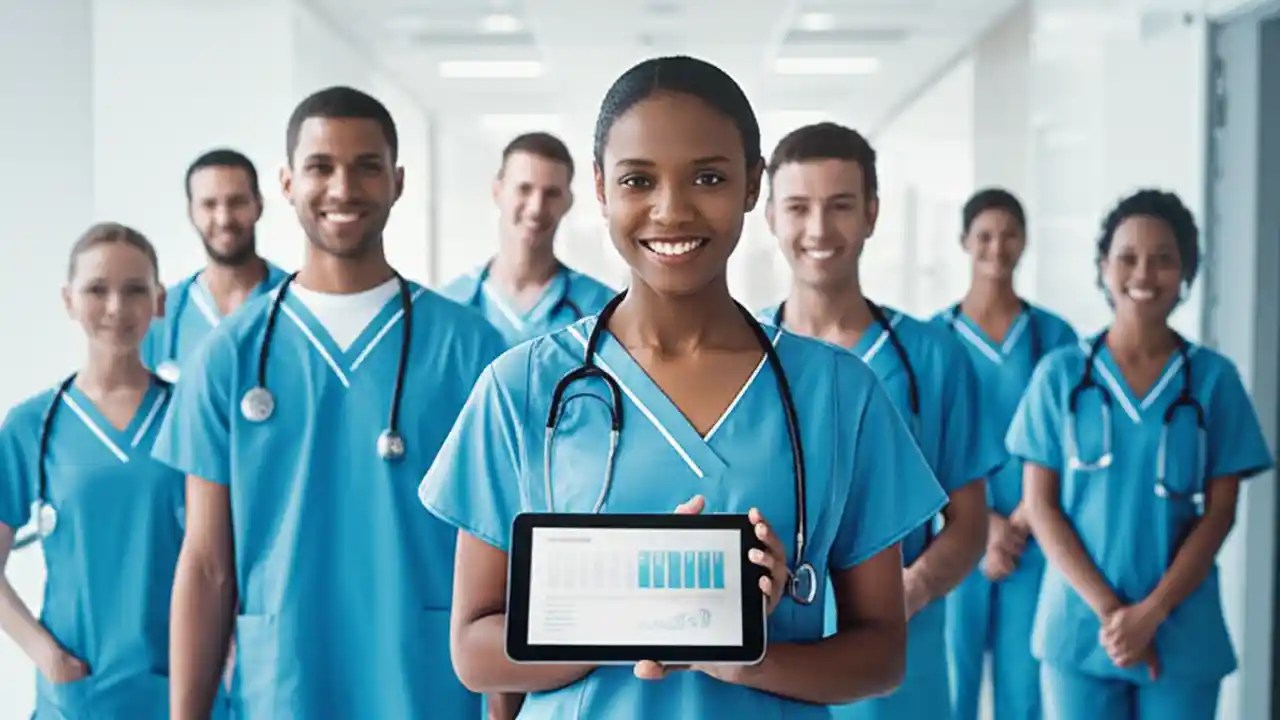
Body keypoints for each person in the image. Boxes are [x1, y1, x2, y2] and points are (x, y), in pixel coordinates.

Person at [418, 55, 948, 719]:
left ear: (753, 185)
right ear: (602, 188)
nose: (672, 210)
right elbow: (474, 650)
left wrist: (743, 654)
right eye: (639, 180)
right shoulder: (522, 388)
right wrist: (646, 612)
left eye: (709, 177)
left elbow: (880, 655)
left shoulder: (838, 393)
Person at [152, 86, 506, 719]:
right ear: (287, 183)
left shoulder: (470, 348)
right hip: (282, 688)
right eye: (321, 167)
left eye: (366, 166)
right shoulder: (232, 355)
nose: (343, 188)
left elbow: (506, 554)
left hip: (425, 690)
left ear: (397, 181)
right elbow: (206, 565)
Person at [759, 122, 1002, 720]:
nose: (818, 229)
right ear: (769, 217)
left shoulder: (933, 359)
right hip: (774, 661)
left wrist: (908, 591)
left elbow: (969, 525)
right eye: (798, 207)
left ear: (871, 213)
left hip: (900, 675)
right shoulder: (740, 356)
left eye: (840, 206)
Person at [1010, 189, 1274, 720]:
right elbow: (1041, 508)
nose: (1144, 273)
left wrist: (1151, 614)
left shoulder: (1213, 380)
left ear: (1185, 273)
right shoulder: (1060, 376)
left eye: (1163, 258)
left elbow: (1220, 514)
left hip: (1180, 627)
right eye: (1127, 257)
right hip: (1081, 630)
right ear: (1104, 267)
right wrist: (1116, 617)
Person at [0, 224, 207, 718]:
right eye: (97, 289)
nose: (116, 307)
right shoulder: (33, 425)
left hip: (177, 690)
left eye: (135, 290)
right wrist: (45, 656)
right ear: (69, 300)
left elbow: (226, 561)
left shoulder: (190, 420)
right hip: (77, 694)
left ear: (159, 302)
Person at [940, 189, 1078, 720]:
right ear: (964, 243)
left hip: (1035, 539)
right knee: (954, 688)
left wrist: (1018, 521)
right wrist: (983, 525)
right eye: (984, 236)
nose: (997, 247)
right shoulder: (936, 339)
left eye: (1009, 235)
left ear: (1024, 243)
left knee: (1025, 695)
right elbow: (925, 448)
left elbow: (1070, 439)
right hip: (956, 535)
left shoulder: (1055, 338)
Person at [439, 132, 615, 346]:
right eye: (524, 189)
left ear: (568, 201)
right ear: (498, 191)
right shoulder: (449, 305)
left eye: (551, 193)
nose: (536, 208)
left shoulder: (604, 310)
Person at [141, 149, 288, 382]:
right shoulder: (160, 317)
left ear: (258, 205)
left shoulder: (295, 303)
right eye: (209, 205)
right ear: (191, 212)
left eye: (237, 202)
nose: (224, 219)